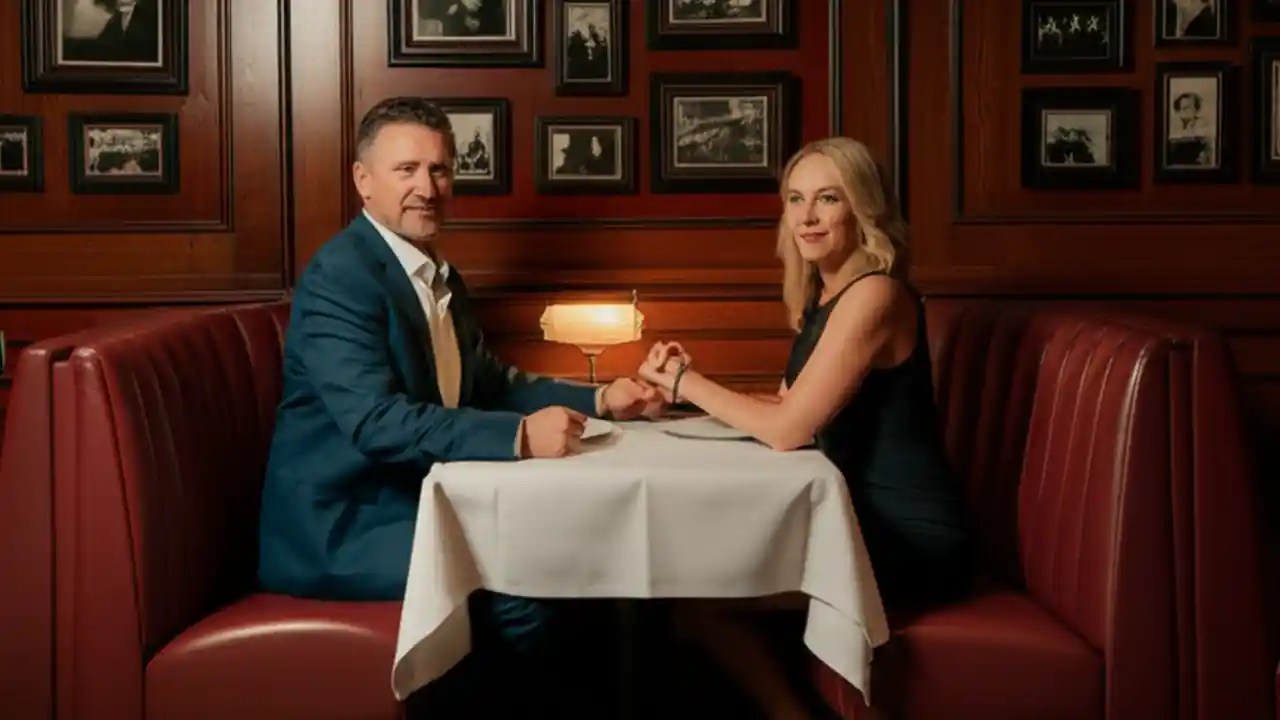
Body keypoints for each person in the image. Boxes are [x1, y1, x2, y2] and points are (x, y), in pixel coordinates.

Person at [257, 96, 663, 717]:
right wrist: (521, 439)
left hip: (418, 503)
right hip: (343, 526)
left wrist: (603, 397)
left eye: (441, 170)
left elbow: (491, 385)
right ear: (363, 181)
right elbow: (375, 421)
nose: (428, 187)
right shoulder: (341, 274)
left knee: (585, 559)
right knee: (530, 590)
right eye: (407, 170)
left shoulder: (437, 274)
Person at [638, 137, 973, 719]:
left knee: (694, 599)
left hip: (908, 535)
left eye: (827, 199)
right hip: (852, 521)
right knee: (684, 578)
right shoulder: (829, 295)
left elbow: (788, 428)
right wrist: (681, 397)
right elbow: (787, 406)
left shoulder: (876, 295)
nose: (807, 216)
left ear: (863, 209)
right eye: (795, 199)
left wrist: (685, 384)